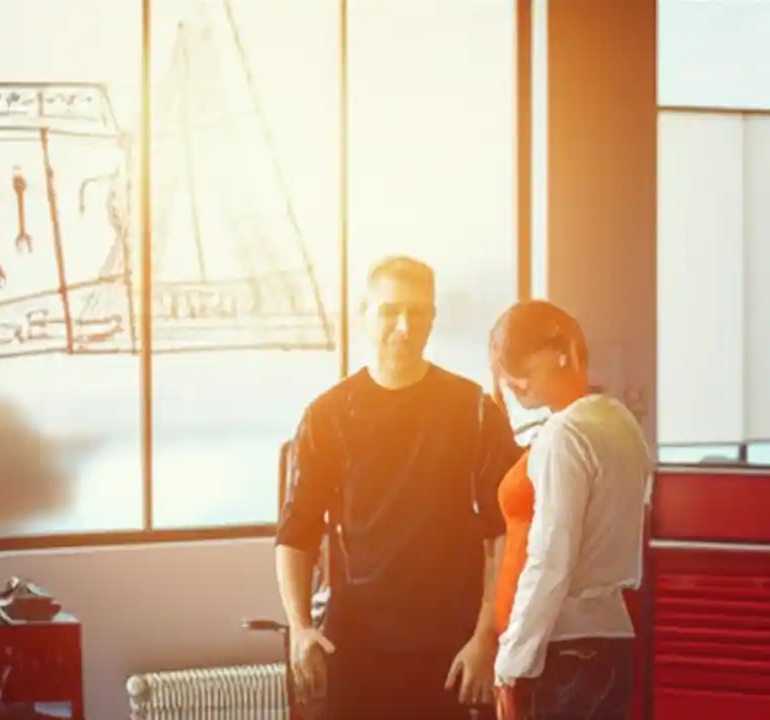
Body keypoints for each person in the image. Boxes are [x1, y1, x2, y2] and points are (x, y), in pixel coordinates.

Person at [274, 255, 522, 719]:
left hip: (451, 648)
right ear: (364, 313)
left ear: (432, 319)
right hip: (357, 645)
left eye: (418, 312)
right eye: (390, 311)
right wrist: (300, 626)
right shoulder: (328, 416)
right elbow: (296, 533)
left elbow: (504, 531)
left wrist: (485, 638)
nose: (404, 326)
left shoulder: (472, 409)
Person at [487, 300, 653, 720]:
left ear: (563, 354)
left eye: (517, 369)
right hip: (610, 643)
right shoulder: (620, 422)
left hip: (566, 653)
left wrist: (510, 665)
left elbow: (550, 558)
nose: (512, 381)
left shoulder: (564, 434)